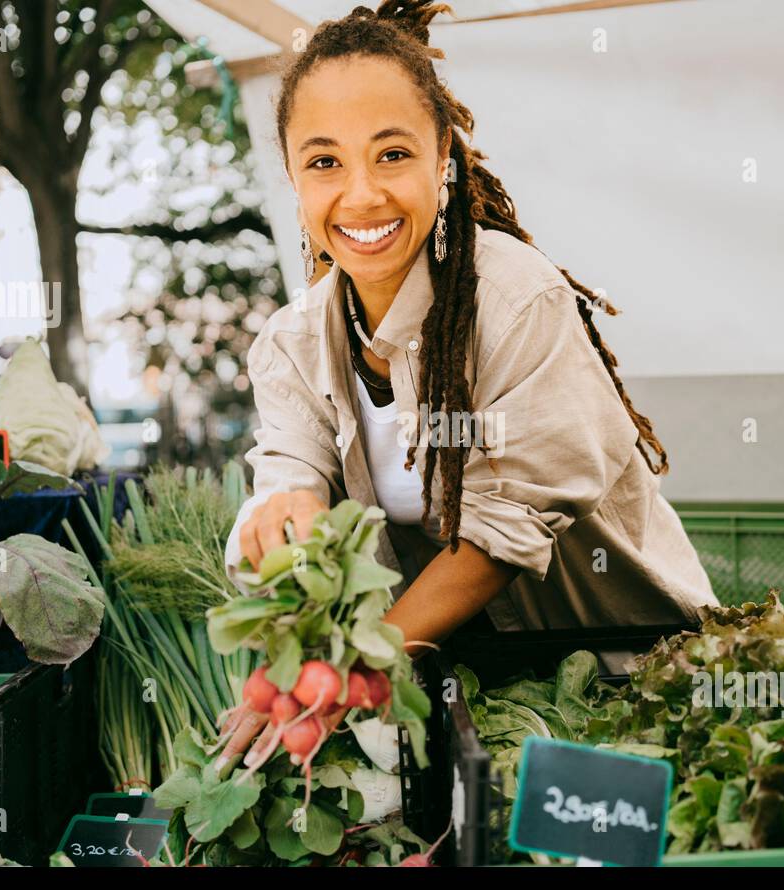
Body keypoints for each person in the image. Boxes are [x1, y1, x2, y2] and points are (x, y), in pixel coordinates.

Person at [222, 0, 718, 752]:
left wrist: (357, 665)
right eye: (325, 161)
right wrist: (285, 512)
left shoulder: (517, 300)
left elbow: (499, 531)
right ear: (293, 175)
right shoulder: (292, 343)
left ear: (442, 154)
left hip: (627, 665)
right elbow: (292, 467)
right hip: (478, 681)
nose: (361, 195)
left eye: (392, 153)